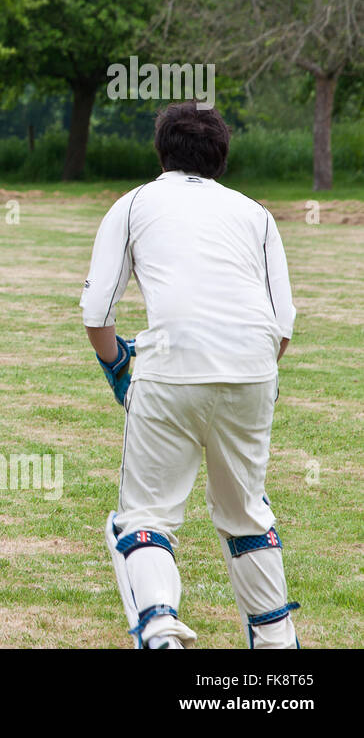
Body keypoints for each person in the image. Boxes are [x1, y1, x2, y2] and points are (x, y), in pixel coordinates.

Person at [81, 101, 298, 649]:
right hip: (254, 368)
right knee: (246, 515)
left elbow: (97, 312)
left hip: (170, 367)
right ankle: (278, 648)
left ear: (161, 153)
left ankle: (158, 629)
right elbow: (282, 327)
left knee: (143, 517)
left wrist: (118, 368)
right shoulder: (256, 214)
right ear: (221, 158)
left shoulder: (133, 204)